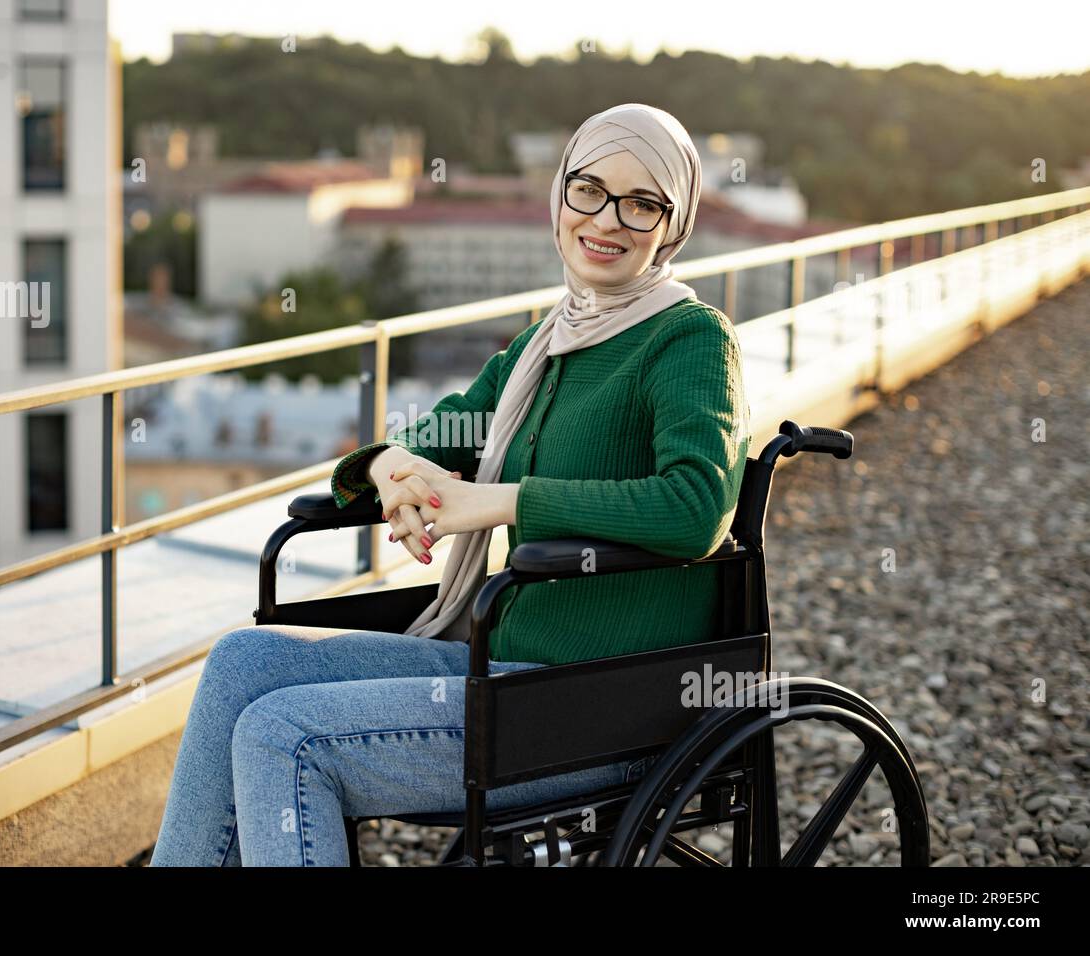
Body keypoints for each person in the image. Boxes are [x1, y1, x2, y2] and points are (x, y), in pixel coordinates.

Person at [149, 103, 751, 867]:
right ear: (559, 196)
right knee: (244, 661)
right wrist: (383, 470)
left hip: (598, 705)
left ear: (675, 222)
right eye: (588, 190)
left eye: (642, 202)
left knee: (282, 736)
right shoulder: (544, 346)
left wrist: (501, 501)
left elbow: (696, 505)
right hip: (500, 662)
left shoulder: (689, 339)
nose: (608, 219)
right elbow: (426, 444)